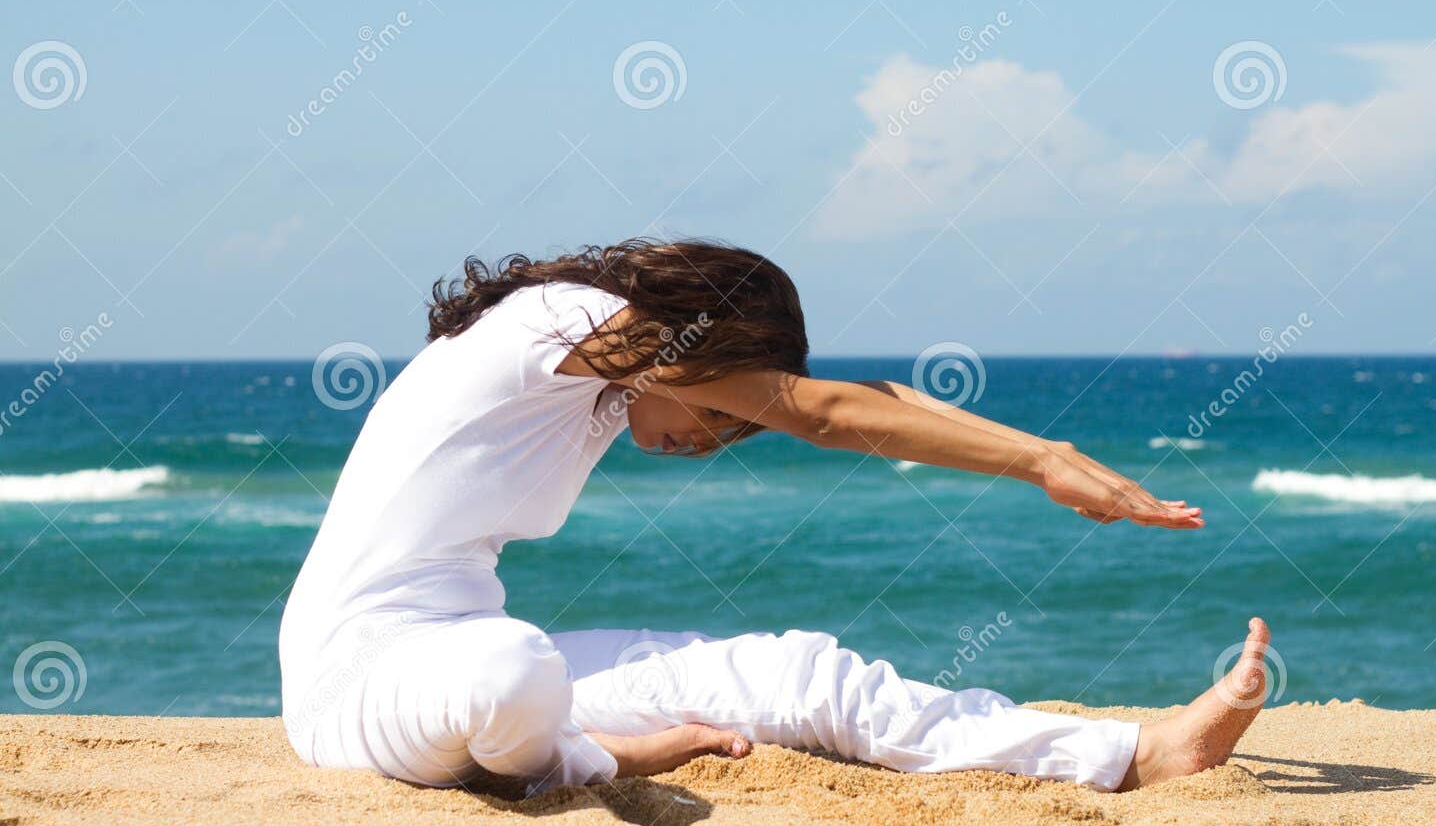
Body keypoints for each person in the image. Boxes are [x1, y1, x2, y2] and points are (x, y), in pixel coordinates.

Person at [278, 240, 1271, 796]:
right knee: (513, 671)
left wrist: (1042, 448)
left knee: (803, 674)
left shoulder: (599, 367)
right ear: (693, 349)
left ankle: (1133, 753)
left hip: (456, 661)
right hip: (358, 682)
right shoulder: (570, 325)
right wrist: (1041, 461)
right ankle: (588, 756)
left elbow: (856, 391)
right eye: (720, 413)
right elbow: (824, 413)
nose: (705, 441)